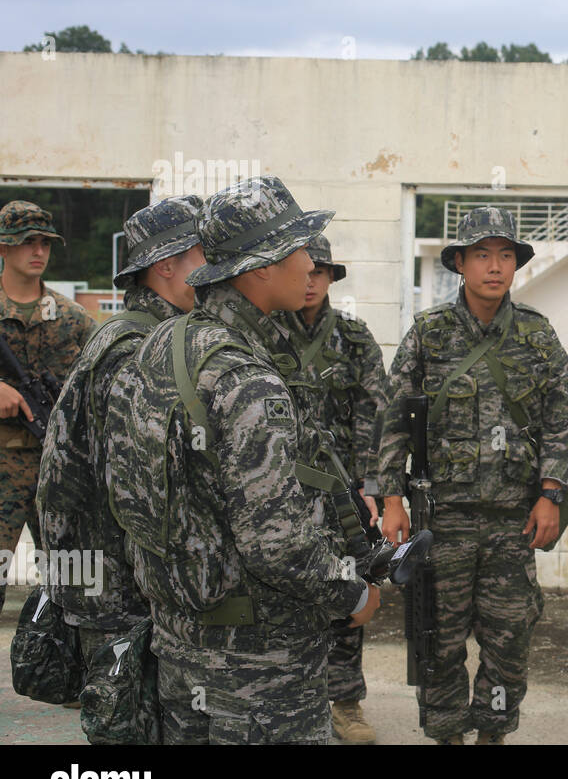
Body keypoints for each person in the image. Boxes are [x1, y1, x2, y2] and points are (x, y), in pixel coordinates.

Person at [104, 176, 379, 744]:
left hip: (181, 643)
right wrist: (351, 593)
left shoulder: (159, 346)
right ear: (260, 268)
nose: (312, 263)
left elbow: (126, 492)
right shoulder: (247, 379)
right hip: (260, 666)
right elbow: (276, 543)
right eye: (299, 248)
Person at [377, 206, 568, 745]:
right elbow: (394, 417)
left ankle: (493, 734)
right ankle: (446, 736)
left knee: (510, 638)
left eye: (505, 255)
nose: (495, 266)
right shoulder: (429, 334)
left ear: (515, 264)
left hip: (514, 519)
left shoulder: (537, 335)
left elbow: (560, 415)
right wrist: (390, 497)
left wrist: (551, 494)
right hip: (443, 519)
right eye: (482, 255)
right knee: (437, 638)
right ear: (460, 263)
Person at [37, 196, 205, 674]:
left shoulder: (155, 334)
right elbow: (134, 490)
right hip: (123, 588)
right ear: (168, 265)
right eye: (203, 253)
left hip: (121, 580)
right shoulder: (137, 346)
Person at [282, 233, 387, 744]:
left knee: (348, 589)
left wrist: (373, 486)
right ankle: (292, 700)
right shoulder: (262, 334)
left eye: (319, 273)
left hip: (343, 495)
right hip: (276, 491)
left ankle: (345, 703)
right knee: (284, 592)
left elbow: (376, 415)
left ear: (329, 279)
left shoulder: (355, 338)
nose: (310, 282)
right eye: (304, 271)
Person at [0, 200, 94, 615]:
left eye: (45, 243)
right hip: (2, 464)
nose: (38, 251)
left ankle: (66, 673)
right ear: (3, 248)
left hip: (56, 466)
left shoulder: (72, 318)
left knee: (72, 581)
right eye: (26, 243)